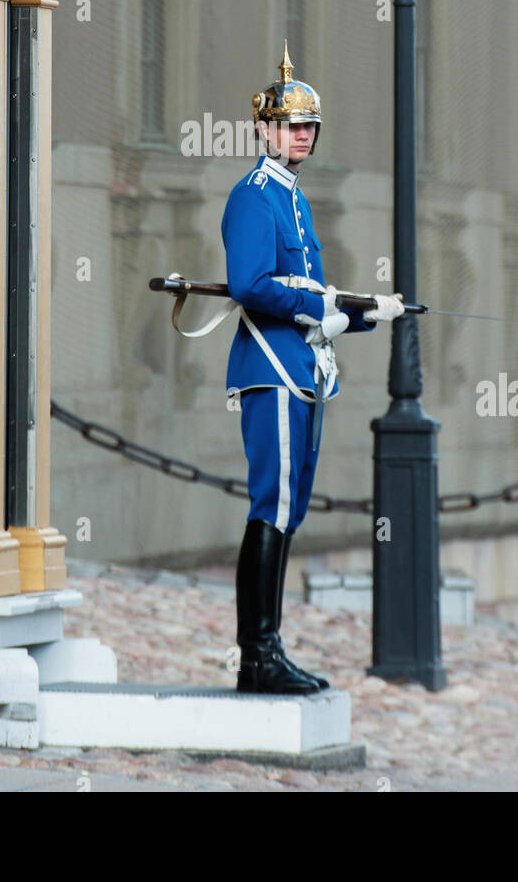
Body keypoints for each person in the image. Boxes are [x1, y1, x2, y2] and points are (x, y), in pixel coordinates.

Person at [223, 42, 404, 694]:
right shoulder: (253, 197)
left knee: (288, 508)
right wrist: (325, 303)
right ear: (265, 130)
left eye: (307, 127)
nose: (300, 136)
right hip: (269, 367)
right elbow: (250, 283)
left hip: (300, 366)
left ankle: (270, 647)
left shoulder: (294, 200)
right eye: (290, 126)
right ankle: (257, 655)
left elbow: (311, 297)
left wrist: (366, 313)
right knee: (270, 505)